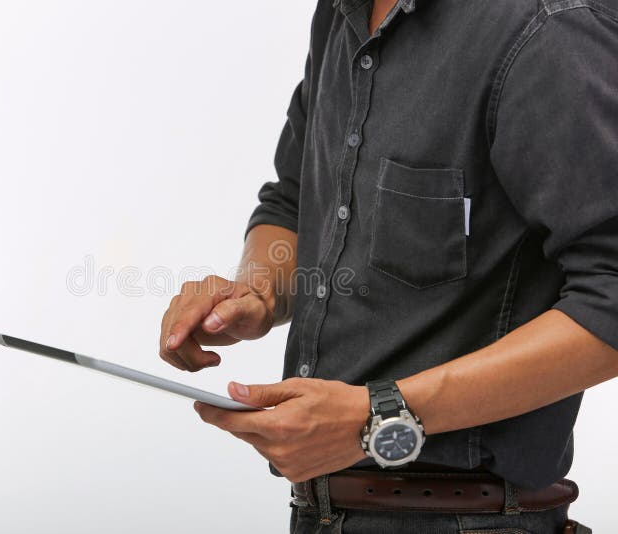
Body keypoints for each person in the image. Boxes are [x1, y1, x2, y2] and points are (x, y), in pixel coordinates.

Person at [158, 0, 617, 532]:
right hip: (320, 513)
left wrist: (378, 414)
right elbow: (294, 202)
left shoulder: (549, 28)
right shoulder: (339, 14)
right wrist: (257, 292)